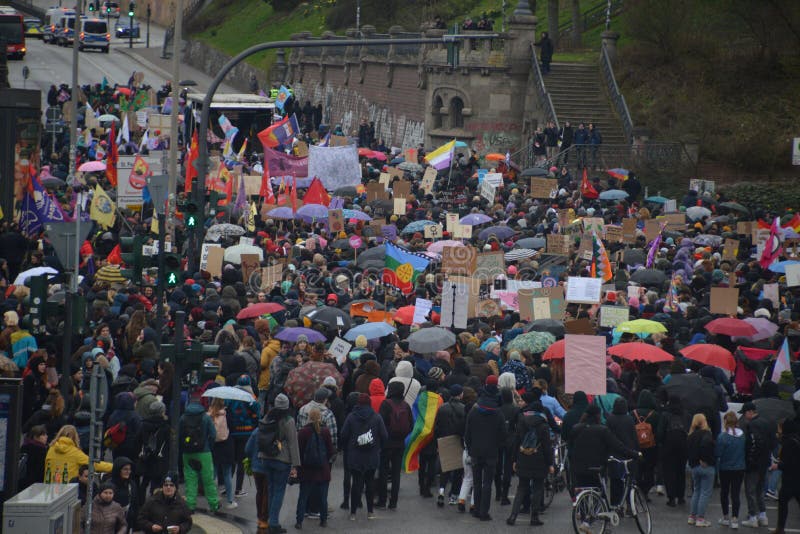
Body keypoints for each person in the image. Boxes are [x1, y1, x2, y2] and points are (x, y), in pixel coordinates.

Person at [464, 375, 507, 521]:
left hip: (476, 450)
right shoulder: (498, 412)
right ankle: (484, 511)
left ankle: (476, 509)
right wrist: (498, 446)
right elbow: (503, 434)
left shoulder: (475, 410)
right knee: (487, 482)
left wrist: (470, 447)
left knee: (476, 481)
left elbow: (467, 432)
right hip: (491, 451)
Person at [340, 392, 387, 521]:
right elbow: (384, 436)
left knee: (356, 483)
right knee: (370, 483)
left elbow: (343, 435)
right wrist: (378, 447)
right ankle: (370, 511)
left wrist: (347, 447)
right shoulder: (377, 417)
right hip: (372, 455)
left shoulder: (351, 417)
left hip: (355, 455)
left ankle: (353, 513)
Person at [506, 400, 553, 526]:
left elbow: (516, 442)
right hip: (539, 459)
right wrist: (550, 464)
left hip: (523, 457)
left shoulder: (521, 422)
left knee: (521, 488)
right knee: (538, 488)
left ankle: (513, 516)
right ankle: (534, 517)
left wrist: (514, 459)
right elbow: (547, 446)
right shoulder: (543, 425)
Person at [261, 393, 301, 534]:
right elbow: (292, 443)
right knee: (279, 491)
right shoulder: (288, 420)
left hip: (266, 457)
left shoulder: (267, 416)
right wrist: (295, 464)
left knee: (271, 489)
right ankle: (274, 522)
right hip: (281, 459)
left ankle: (271, 519)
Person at [294, 407, 335, 529]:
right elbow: (330, 451)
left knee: (303, 497)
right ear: (320, 418)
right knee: (323, 497)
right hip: (323, 470)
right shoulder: (326, 431)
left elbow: (299, 452)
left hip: (306, 471)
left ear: (309, 417)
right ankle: (323, 520)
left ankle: (299, 521)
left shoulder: (302, 432)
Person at [739, 401, 777, 528]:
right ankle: (763, 515)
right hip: (765, 462)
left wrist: (750, 460)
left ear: (750, 412)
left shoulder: (752, 425)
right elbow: (773, 443)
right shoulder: (768, 423)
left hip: (754, 463)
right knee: (760, 489)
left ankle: (753, 517)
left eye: (744, 414)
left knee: (750, 490)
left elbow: (753, 444)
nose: (744, 417)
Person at [377, 380, 413, 509]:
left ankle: (382, 501)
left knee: (383, 471)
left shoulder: (386, 404)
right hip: (400, 443)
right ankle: (393, 502)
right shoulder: (406, 405)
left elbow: (380, 423)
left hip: (386, 443)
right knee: (396, 473)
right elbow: (411, 425)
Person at [179, 398, 219, 513]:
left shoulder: (183, 418)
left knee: (190, 479)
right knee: (208, 480)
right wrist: (208, 447)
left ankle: (190, 505)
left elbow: (180, 435)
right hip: (204, 452)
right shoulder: (206, 417)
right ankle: (214, 504)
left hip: (188, 453)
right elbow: (213, 434)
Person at [433, 384, 466, 508]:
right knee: (458, 470)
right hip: (458, 441)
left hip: (444, 440)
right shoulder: (463, 409)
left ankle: (441, 491)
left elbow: (437, 426)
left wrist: (437, 441)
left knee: (444, 469)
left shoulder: (442, 408)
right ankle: (454, 496)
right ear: (460, 394)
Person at [45, 425, 112, 483]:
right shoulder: (75, 452)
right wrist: (114, 467)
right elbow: (95, 465)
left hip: (51, 487)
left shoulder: (51, 449)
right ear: (75, 437)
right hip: (68, 488)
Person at [716, 410, 745, 529]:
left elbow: (718, 453)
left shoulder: (722, 436)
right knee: (735, 493)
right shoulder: (742, 436)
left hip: (725, 468)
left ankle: (725, 517)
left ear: (725, 422)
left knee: (724, 492)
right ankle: (735, 519)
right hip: (739, 468)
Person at [207, 397, 237, 510]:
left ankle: (213, 500)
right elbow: (233, 428)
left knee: (213, 474)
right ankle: (230, 501)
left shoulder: (209, 414)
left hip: (214, 446)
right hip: (226, 445)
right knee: (227, 474)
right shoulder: (227, 413)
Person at [687, 413, 715, 527]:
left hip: (694, 466)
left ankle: (692, 517)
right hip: (705, 466)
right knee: (705, 493)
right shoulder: (707, 433)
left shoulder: (691, 435)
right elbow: (705, 445)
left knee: (696, 491)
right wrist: (705, 459)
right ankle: (700, 518)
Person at [774, 418, 800, 534]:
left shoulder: (789, 443)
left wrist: (778, 465)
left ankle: (780, 528)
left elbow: (788, 463)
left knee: (783, 503)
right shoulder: (796, 439)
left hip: (790, 479)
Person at [109, 456, 139, 528]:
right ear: (118, 470)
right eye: (125, 469)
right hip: (112, 523)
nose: (128, 472)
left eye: (129, 469)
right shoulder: (109, 485)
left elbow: (135, 504)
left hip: (128, 521)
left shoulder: (132, 484)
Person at [19, 425, 48, 490]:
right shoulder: (40, 450)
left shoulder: (24, 446)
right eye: (43, 435)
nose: (46, 436)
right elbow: (41, 469)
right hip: (35, 484)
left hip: (22, 482)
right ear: (36, 437)